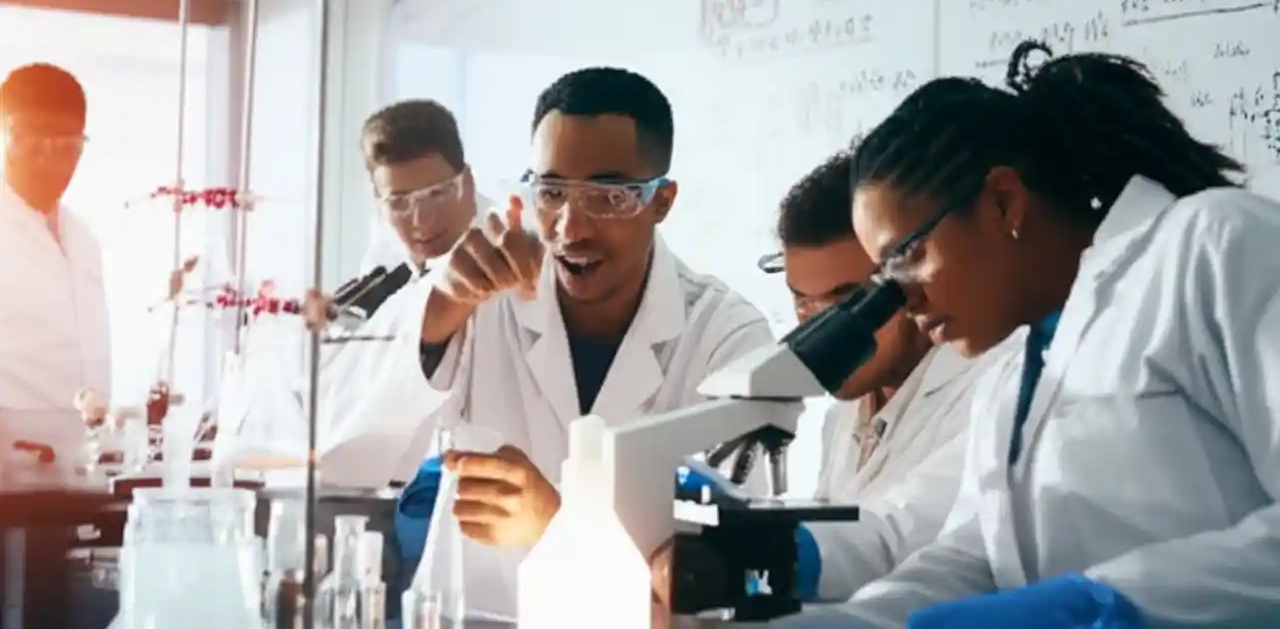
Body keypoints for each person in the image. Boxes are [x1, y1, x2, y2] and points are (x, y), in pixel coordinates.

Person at [778, 41, 1280, 628]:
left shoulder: (1211, 246)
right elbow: (978, 562)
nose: (903, 297)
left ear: (1003, 202)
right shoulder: (1014, 371)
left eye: (907, 256)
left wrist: (1114, 605)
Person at [412, 67, 774, 618]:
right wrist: (440, 303)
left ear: (662, 201)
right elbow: (362, 426)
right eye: (552, 192)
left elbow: (737, 570)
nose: (569, 228)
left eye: (609, 197)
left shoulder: (728, 339)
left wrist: (558, 524)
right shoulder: (486, 301)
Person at [765, 151, 1018, 602]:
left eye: (847, 301)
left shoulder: (989, 384)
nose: (819, 328)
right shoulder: (844, 415)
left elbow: (902, 536)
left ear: (903, 277)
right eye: (802, 301)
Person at [315, 99, 492, 483]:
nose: (421, 220)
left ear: (469, 182)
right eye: (399, 203)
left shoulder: (502, 256)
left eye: (438, 194)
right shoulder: (387, 258)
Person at [0, 63, 111, 457]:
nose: (49, 161)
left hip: (78, 465)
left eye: (65, 146)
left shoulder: (84, 240)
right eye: (31, 141)